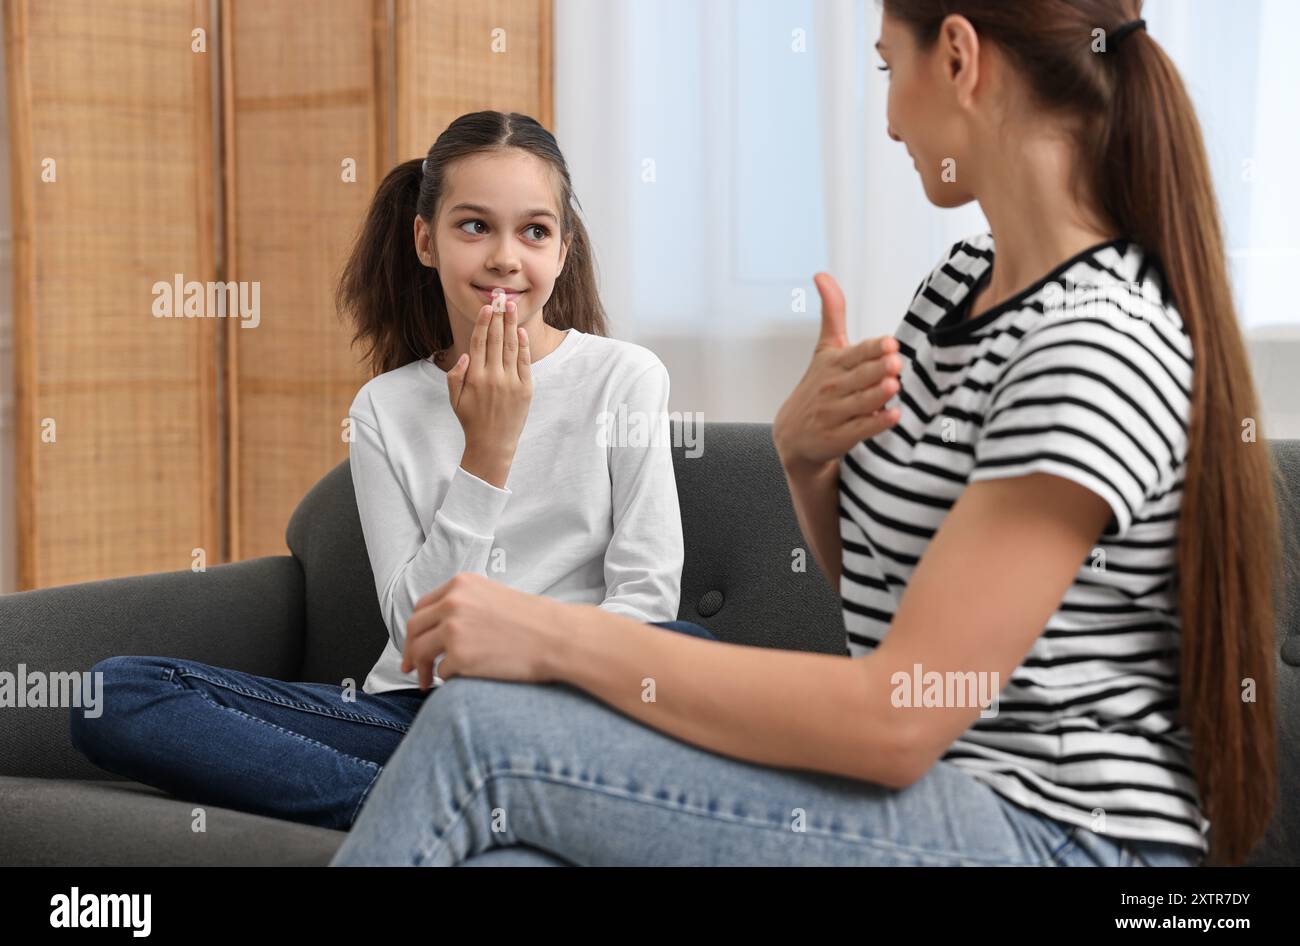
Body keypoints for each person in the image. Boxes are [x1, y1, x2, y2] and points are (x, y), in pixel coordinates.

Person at [329, 2, 1288, 868]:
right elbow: (887, 612)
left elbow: (894, 719)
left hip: (1058, 832)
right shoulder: (957, 290)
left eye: (885, 69)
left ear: (957, 56)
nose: (888, 120)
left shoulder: (1093, 343)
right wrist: (808, 463)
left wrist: (553, 637)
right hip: (936, 800)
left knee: (476, 736)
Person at [69, 111, 709, 831]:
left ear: (562, 250)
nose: (505, 257)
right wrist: (486, 454)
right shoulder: (385, 406)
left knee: (692, 653)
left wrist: (527, 672)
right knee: (116, 692)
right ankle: (462, 808)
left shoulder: (625, 378)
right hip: (415, 713)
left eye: (534, 231)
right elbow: (415, 630)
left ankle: (453, 800)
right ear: (425, 241)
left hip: (565, 710)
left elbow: (648, 598)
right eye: (474, 226)